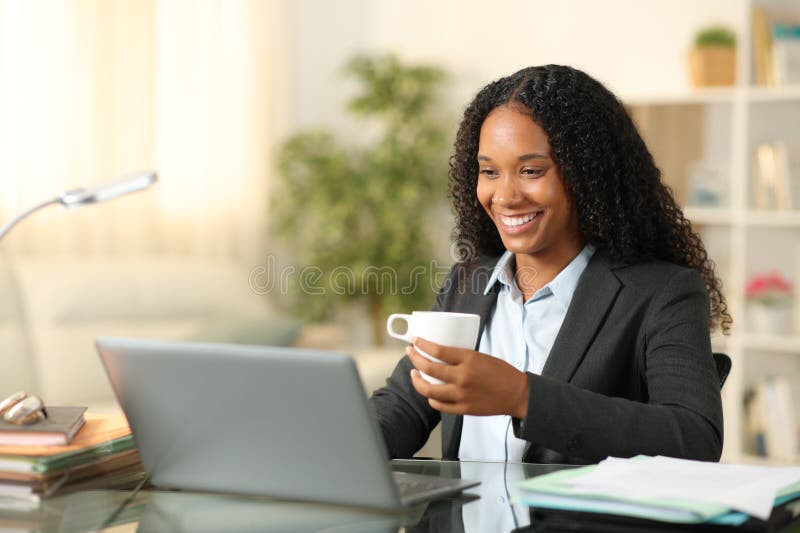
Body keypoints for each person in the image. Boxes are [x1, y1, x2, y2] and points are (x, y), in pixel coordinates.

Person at [368, 64, 730, 465]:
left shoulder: (662, 293)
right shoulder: (468, 281)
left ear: (585, 175)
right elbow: (403, 407)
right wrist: (330, 442)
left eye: (530, 171)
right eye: (489, 171)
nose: (504, 195)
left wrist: (522, 396)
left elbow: (695, 438)